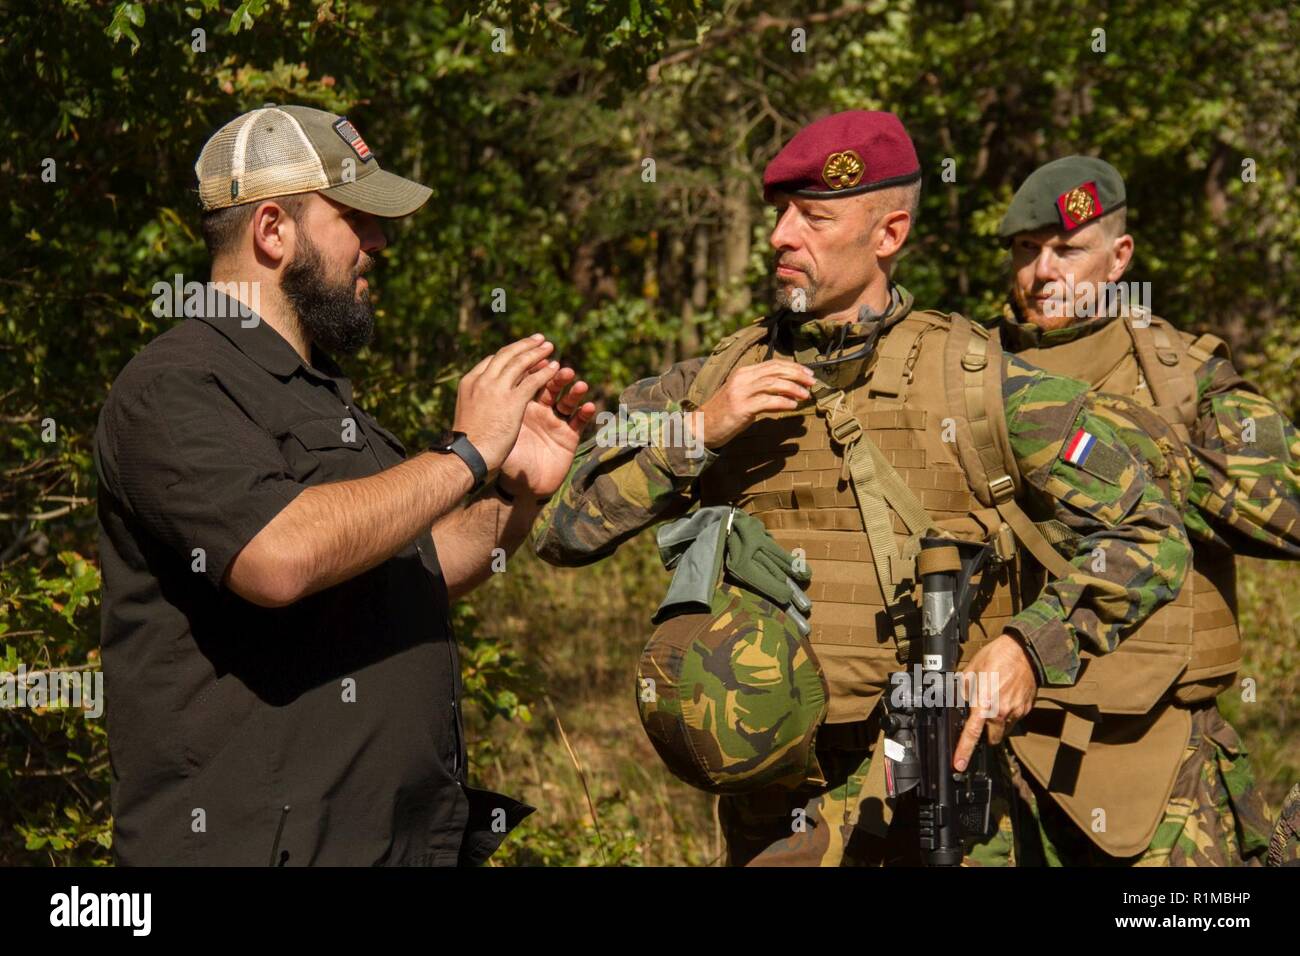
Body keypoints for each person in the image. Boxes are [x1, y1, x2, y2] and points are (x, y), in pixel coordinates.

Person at [532, 111, 1190, 866]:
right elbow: (562, 527)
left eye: (813, 217)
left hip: (946, 795)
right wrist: (700, 431)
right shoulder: (714, 381)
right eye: (780, 213)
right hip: (776, 806)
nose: (781, 235)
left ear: (888, 235)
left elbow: (1147, 533)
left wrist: (1029, 648)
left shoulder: (978, 382)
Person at [94, 104, 595, 865]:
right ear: (272, 230)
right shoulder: (174, 388)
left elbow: (412, 565)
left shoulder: (319, 389)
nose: (380, 243)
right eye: (356, 219)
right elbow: (280, 556)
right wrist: (466, 453)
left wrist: (513, 495)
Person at [992, 155, 1300, 865]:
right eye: (1025, 250)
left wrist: (1147, 452)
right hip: (996, 745)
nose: (1043, 272)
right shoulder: (970, 371)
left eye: (1066, 249)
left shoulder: (1179, 382)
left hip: (1158, 753)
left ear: (1118, 257)